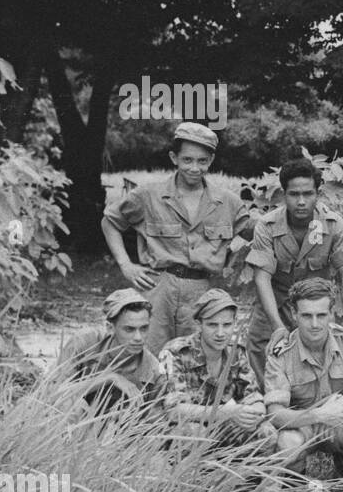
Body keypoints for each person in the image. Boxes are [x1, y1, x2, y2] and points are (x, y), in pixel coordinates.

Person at [100, 121, 250, 355]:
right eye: (187, 160)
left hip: (202, 289)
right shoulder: (149, 195)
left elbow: (256, 231)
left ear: (211, 160)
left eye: (202, 161)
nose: (194, 168)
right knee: (147, 353)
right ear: (174, 158)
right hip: (159, 287)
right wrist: (125, 264)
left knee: (197, 356)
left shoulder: (228, 201)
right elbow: (110, 221)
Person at [263, 278, 343, 483]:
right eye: (306, 316)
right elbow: (275, 414)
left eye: (321, 315)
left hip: (340, 422)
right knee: (287, 441)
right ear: (294, 315)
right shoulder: (281, 354)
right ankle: (297, 485)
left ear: (332, 313)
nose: (315, 324)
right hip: (305, 427)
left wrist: (337, 406)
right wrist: (318, 415)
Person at [246, 157, 343, 389]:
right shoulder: (266, 227)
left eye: (307, 194)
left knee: (322, 365)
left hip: (314, 308)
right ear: (283, 194)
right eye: (293, 194)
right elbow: (262, 277)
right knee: (263, 358)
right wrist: (277, 326)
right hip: (274, 305)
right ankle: (271, 414)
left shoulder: (333, 225)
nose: (300, 201)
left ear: (317, 193)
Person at [158, 289, 276, 453]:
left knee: (266, 433)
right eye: (213, 325)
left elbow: (253, 395)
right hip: (189, 426)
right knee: (190, 435)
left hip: (225, 423)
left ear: (234, 323)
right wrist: (226, 412)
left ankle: (244, 477)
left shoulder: (237, 351)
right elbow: (173, 410)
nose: (220, 333)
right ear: (199, 324)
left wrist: (252, 413)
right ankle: (192, 477)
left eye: (227, 325)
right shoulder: (175, 352)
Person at [57, 288, 168, 414]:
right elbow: (55, 392)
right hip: (74, 425)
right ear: (110, 328)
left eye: (143, 328)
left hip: (120, 428)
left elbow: (156, 419)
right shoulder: (83, 343)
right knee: (71, 405)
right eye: (129, 329)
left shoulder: (154, 371)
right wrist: (110, 378)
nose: (138, 338)